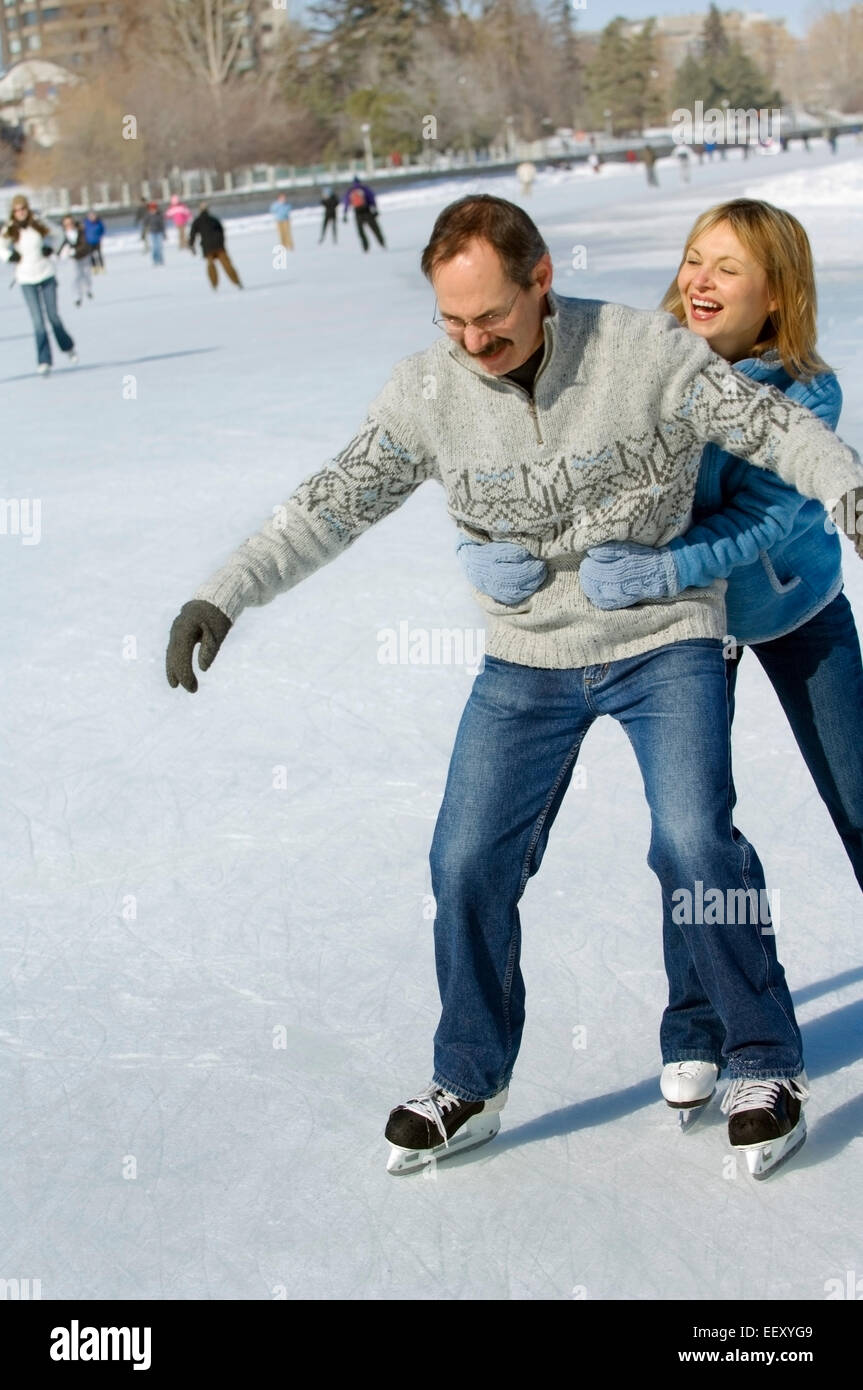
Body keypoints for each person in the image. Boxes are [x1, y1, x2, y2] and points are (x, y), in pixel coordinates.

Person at [165, 195, 863, 1180]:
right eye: (449, 321)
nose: (471, 340)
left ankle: (762, 1061)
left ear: (540, 280)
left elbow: (775, 430)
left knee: (693, 839)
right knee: (462, 860)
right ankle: (470, 1079)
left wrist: (847, 487)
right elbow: (332, 501)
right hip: (526, 658)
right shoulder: (428, 389)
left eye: (489, 315)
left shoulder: (638, 351)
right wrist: (223, 594)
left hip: (663, 639)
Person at [460, 197, 863, 1136]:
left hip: (792, 603)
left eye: (728, 266)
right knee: (692, 828)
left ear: (778, 293)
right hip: (690, 626)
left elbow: (769, 514)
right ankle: (700, 1022)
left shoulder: (807, 389)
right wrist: (483, 545)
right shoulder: (643, 365)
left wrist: (668, 564)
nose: (700, 278)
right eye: (693, 259)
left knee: (857, 793)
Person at [0, 193, 77, 375]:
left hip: (46, 273)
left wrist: (52, 248)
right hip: (26, 278)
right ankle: (44, 361)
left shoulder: (38, 222)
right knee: (38, 322)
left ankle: (68, 347)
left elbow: (59, 234)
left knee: (53, 317)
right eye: (17, 210)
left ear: (27, 208)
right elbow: (0, 246)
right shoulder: (10, 229)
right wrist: (10, 256)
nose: (20, 213)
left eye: (23, 209)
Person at [188, 202, 242, 290]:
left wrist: (191, 245)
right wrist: (222, 242)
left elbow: (192, 234)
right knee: (227, 265)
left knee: (211, 266)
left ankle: (214, 285)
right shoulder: (214, 219)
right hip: (219, 245)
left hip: (207, 247)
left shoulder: (197, 221)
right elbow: (221, 231)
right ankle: (237, 281)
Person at [342, 177, 386, 252]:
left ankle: (365, 247)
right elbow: (371, 198)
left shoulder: (350, 191)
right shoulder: (365, 189)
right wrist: (375, 209)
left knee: (361, 231)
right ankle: (382, 243)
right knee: (375, 228)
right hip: (367, 211)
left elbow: (346, 202)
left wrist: (345, 214)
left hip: (357, 213)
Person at [58, 214, 94, 306]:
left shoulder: (81, 231)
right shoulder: (63, 235)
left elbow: (85, 244)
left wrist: (75, 250)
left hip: (84, 256)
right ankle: (77, 296)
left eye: (70, 223)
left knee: (86, 274)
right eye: (66, 224)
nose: (68, 226)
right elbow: (60, 247)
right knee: (75, 276)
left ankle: (88, 289)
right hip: (73, 259)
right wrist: (62, 253)